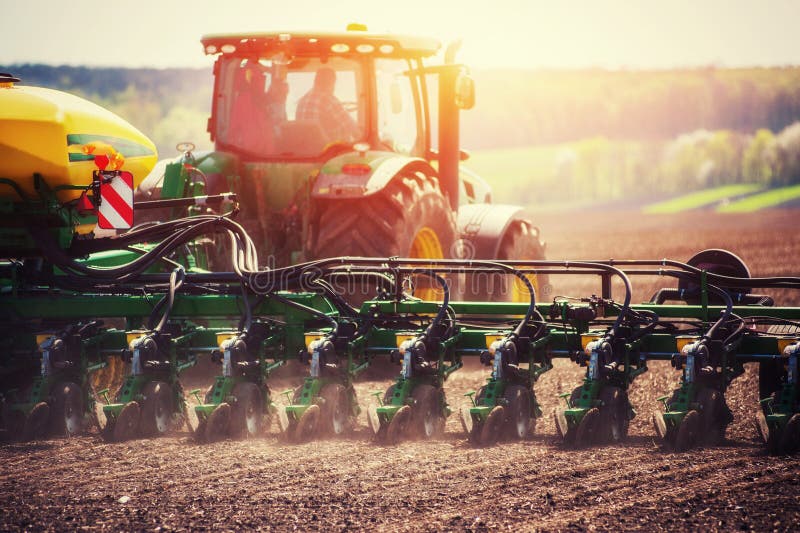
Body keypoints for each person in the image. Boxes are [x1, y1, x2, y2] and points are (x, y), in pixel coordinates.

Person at [296, 67, 360, 143]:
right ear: (332, 82)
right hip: (332, 150)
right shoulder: (328, 100)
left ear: (315, 81)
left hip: (309, 150)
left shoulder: (302, 101)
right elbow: (351, 127)